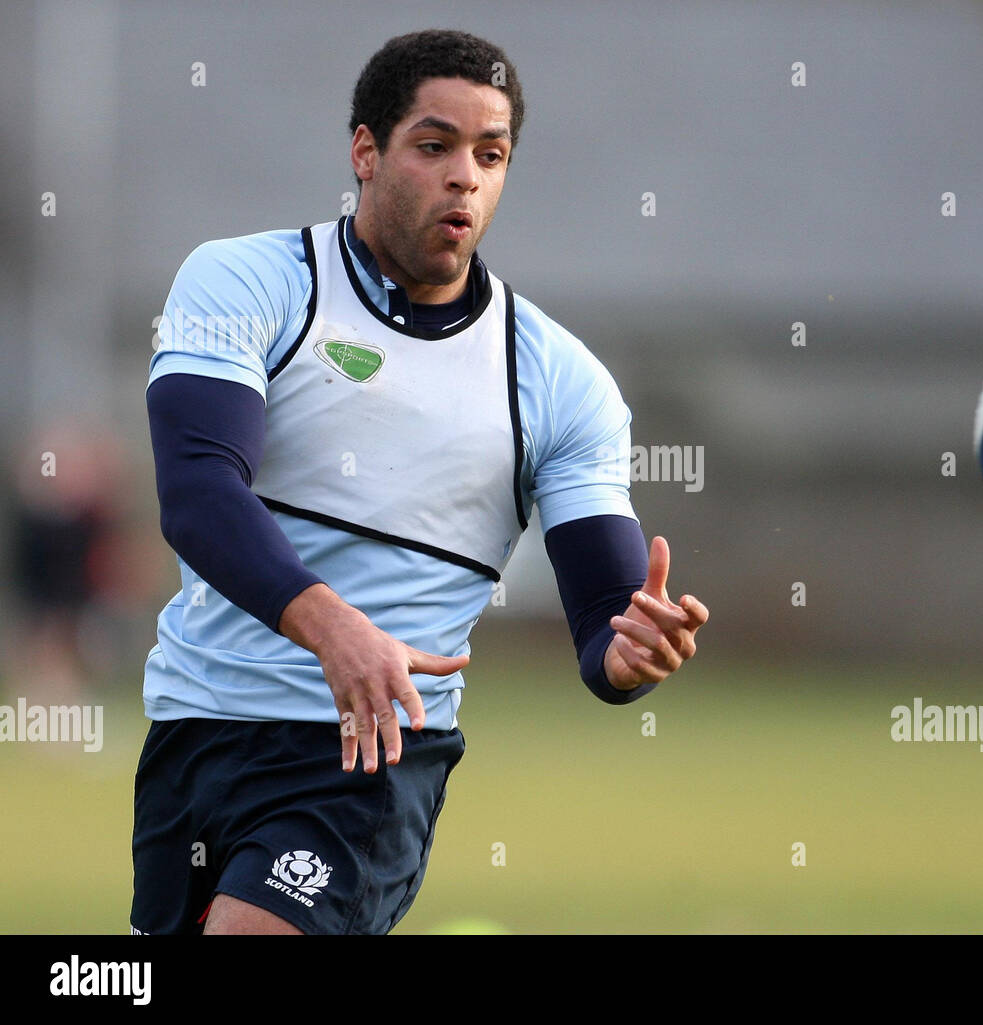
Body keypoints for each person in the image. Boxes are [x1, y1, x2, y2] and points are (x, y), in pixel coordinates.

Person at [131, 28, 708, 936]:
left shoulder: (560, 381)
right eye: (434, 146)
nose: (465, 178)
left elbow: (607, 623)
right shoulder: (247, 280)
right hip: (196, 730)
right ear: (365, 151)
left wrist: (629, 653)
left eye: (491, 154)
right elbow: (199, 488)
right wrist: (333, 627)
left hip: (372, 757)